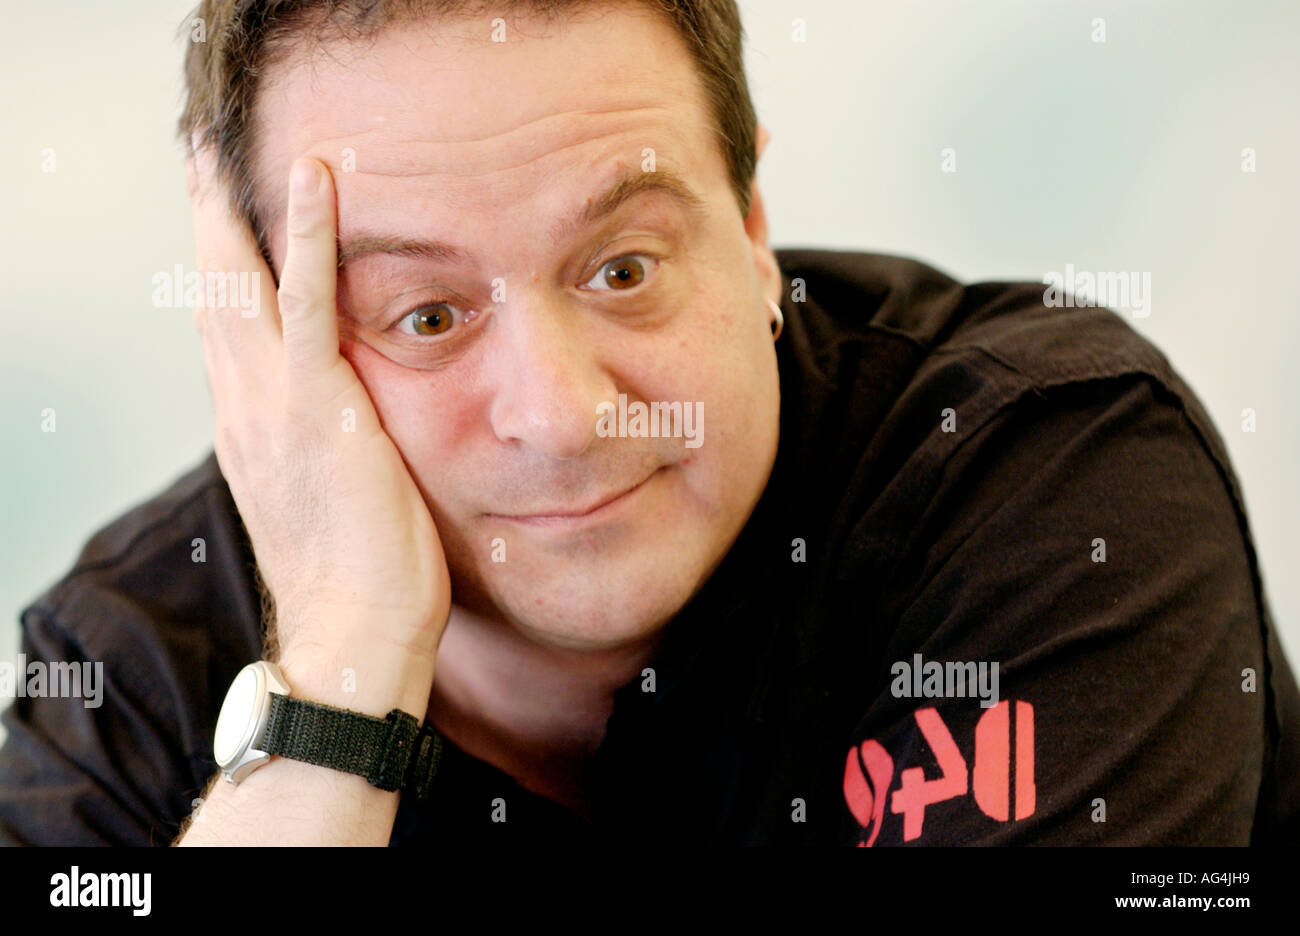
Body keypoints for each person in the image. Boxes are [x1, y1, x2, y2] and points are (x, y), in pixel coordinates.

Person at [0, 0, 1295, 846]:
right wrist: (335, 685)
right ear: (260, 338)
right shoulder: (130, 674)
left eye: (621, 268)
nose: (561, 417)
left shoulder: (1040, 473)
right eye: (426, 316)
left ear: (748, 231)